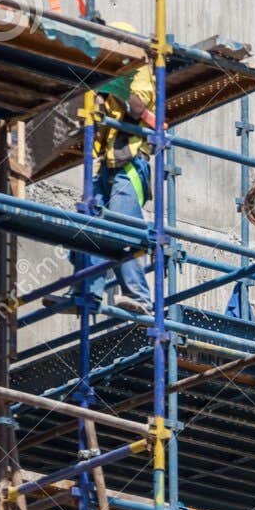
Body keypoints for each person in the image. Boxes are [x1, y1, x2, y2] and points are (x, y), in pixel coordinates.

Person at [88, 22, 155, 313]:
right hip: (106, 166)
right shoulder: (104, 77)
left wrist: (116, 83)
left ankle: (139, 297)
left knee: (120, 226)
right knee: (89, 226)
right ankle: (88, 289)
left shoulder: (138, 70)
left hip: (131, 164)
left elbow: (139, 107)